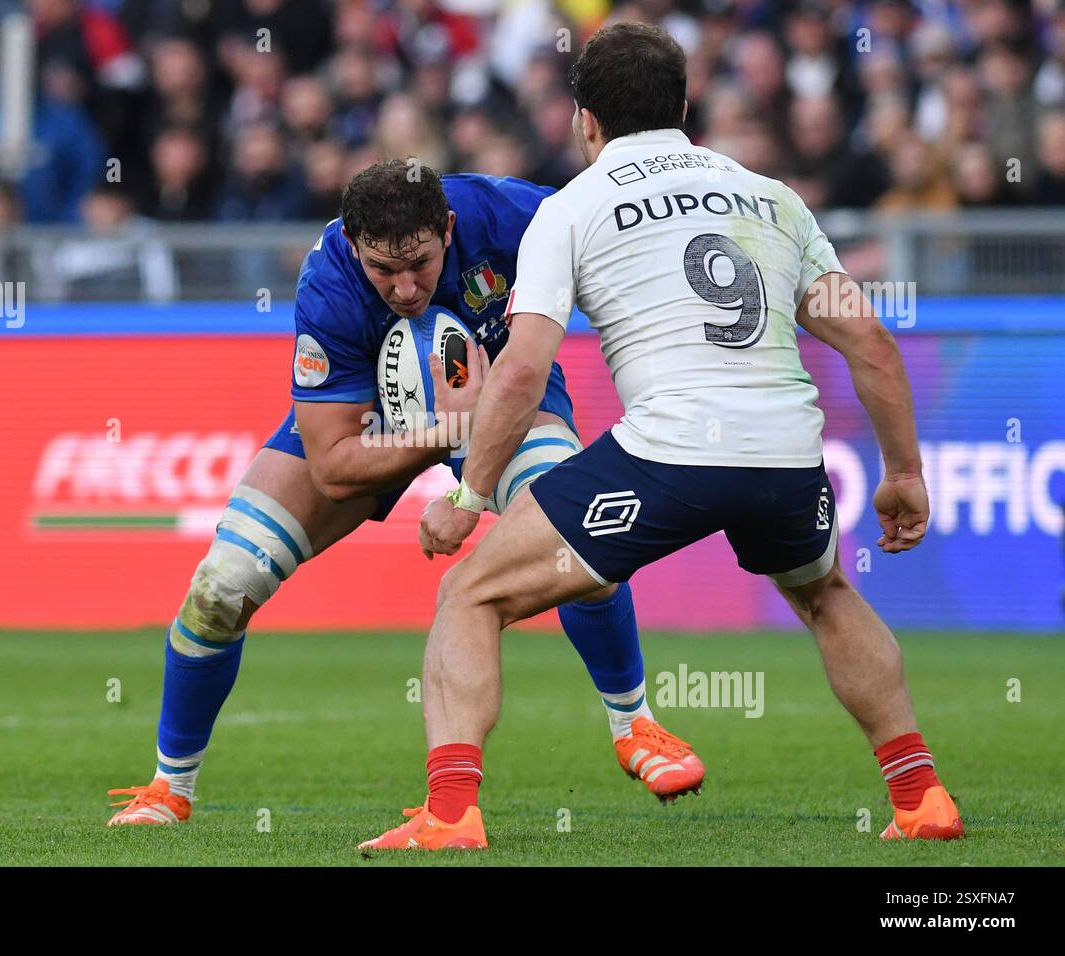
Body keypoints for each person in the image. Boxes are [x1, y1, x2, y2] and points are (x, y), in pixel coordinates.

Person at [361, 23, 964, 851]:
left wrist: (468, 498)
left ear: (584, 121)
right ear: (684, 105)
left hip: (669, 455)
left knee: (471, 595)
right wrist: (903, 473)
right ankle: (922, 796)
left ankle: (452, 813)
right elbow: (870, 342)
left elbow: (524, 368)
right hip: (786, 453)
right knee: (827, 597)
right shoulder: (771, 196)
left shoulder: (570, 208)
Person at [105, 159, 706, 826]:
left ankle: (635, 726)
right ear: (355, 247)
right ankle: (170, 787)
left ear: (447, 229)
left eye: (419, 263)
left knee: (575, 547)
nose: (403, 286)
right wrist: (448, 427)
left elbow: (618, 237)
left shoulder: (509, 214)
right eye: (381, 270)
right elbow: (333, 463)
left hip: (504, 401)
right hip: (373, 420)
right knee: (221, 587)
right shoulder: (330, 280)